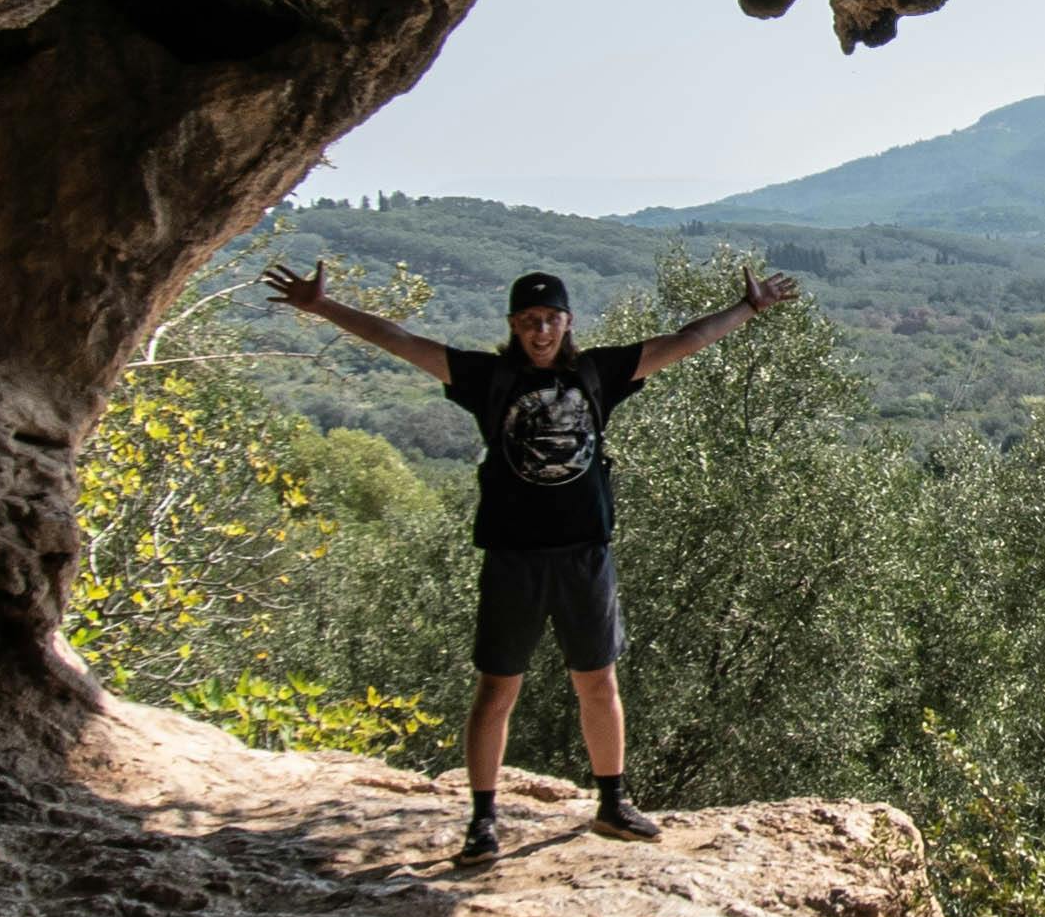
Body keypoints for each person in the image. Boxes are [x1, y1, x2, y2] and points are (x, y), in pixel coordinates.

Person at [258, 255, 801, 868]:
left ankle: (612, 802)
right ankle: (483, 820)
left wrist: (748, 308)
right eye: (527, 321)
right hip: (513, 558)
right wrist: (322, 306)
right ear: (514, 326)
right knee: (497, 689)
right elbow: (400, 340)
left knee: (598, 682)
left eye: (549, 319)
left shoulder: (600, 373)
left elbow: (685, 341)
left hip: (583, 557)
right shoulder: (486, 379)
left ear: (568, 322)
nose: (539, 331)